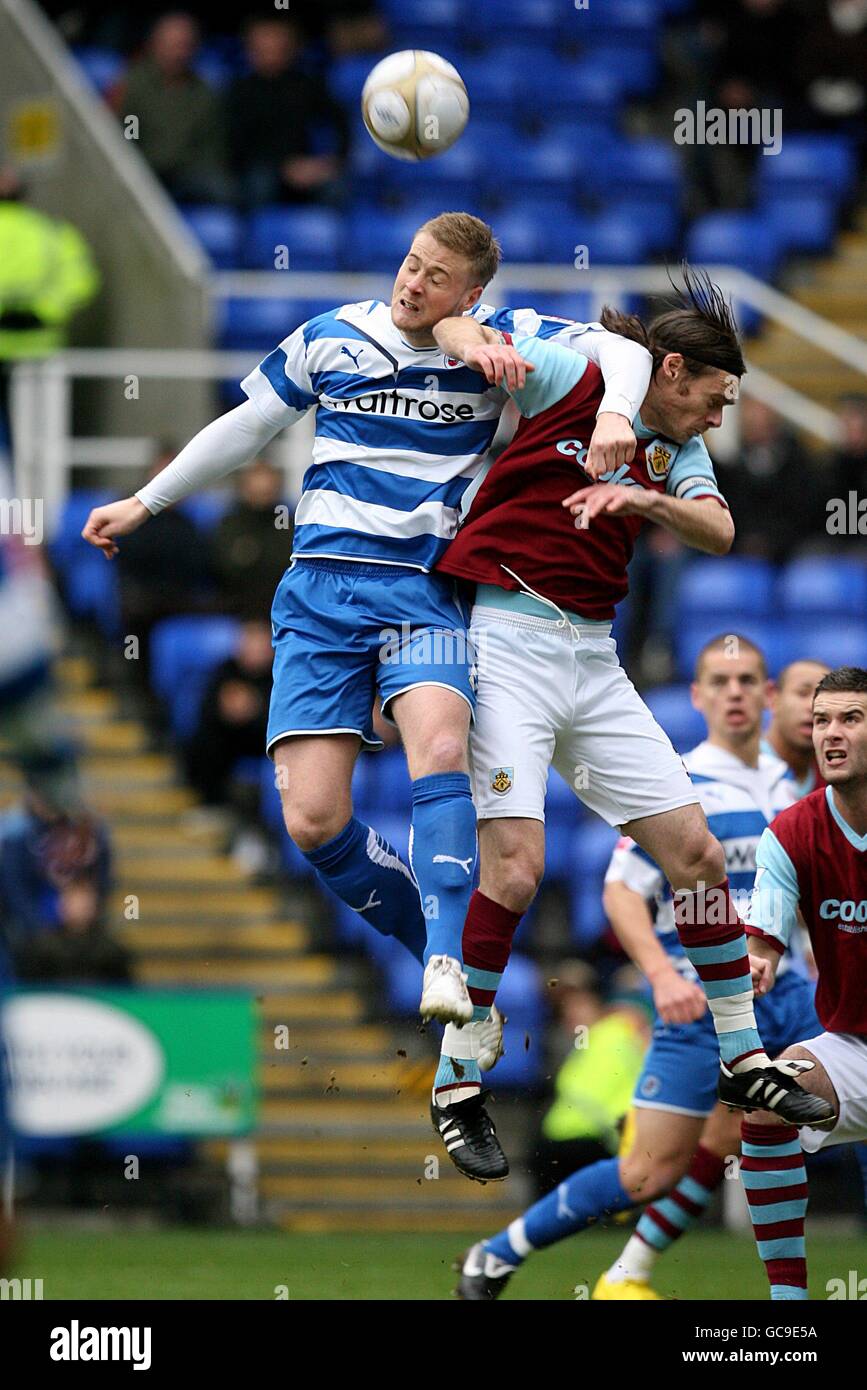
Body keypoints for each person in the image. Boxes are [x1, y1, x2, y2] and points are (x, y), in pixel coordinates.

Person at [80, 212, 653, 1165]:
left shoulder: (505, 346)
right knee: (312, 822)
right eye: (409, 265)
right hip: (316, 592)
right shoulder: (331, 335)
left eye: (437, 279)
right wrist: (147, 501)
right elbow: (248, 423)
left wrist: (612, 413)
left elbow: (619, 350)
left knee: (436, 744)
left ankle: (444, 965)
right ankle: (451, 965)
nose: (413, 285)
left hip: (425, 592)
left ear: (473, 294)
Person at [432, 269, 833, 1180]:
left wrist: (642, 500)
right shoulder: (567, 376)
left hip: (591, 658)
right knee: (518, 867)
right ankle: (457, 1079)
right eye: (715, 398)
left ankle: (742, 1061)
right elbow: (454, 324)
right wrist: (477, 344)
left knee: (691, 850)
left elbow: (716, 532)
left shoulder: (674, 449)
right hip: (506, 641)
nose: (719, 419)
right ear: (674, 368)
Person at [456, 634, 830, 1298]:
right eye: (719, 680)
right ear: (698, 696)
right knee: (646, 1173)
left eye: (747, 679)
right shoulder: (678, 784)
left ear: (767, 696)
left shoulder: (785, 786)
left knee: (753, 1135)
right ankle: (498, 1252)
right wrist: (659, 975)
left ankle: (674, 1281)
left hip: (786, 991)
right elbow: (621, 890)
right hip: (702, 998)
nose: (734, 692)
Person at [742, 665, 867, 1299]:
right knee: (768, 1096)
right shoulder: (791, 832)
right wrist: (759, 961)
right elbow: (762, 940)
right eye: (822, 721)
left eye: (851, 719)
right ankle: (788, 1309)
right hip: (852, 1048)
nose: (831, 734)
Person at [531, 963, 650, 1198]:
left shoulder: (623, 1025)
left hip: (606, 1141)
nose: (571, 1012)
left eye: (579, 1002)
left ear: (597, 1000)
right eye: (565, 1006)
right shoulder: (577, 1047)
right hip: (560, 1139)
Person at [0, 167, 99, 434]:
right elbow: (80, 280)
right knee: (36, 443)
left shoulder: (50, 231)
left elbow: (81, 280)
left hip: (34, 352)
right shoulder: (50, 231)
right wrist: (42, 312)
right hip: (36, 350)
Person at [225, 18, 350, 210]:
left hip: (305, 168)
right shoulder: (240, 91)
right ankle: (254, 237)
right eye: (265, 50)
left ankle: (326, 238)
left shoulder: (306, 84)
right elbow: (237, 147)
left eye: (278, 49)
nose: (272, 56)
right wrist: (283, 166)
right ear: (251, 52)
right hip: (261, 169)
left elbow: (340, 121)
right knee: (258, 186)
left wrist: (329, 162)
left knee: (338, 188)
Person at [110, 12, 232, 205]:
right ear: (155, 45)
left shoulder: (203, 92)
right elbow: (128, 133)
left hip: (187, 176)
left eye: (185, 46)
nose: (178, 53)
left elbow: (211, 149)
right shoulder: (134, 85)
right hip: (145, 172)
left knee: (222, 190)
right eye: (172, 45)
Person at [184, 618, 274, 805]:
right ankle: (208, 801)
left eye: (260, 645)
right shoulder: (225, 670)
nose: (254, 651)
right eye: (249, 643)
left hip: (264, 742)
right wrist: (226, 710)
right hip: (227, 738)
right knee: (204, 741)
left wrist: (254, 709)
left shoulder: (278, 676)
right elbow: (206, 709)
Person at [210, 459, 291, 618]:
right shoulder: (230, 522)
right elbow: (225, 569)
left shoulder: (285, 519)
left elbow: (285, 563)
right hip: (236, 606)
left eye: (267, 490)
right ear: (244, 488)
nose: (262, 490)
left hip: (281, 605)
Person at [763, 659, 830, 796]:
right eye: (802, 693)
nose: (814, 707)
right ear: (772, 697)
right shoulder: (737, 770)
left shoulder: (837, 783)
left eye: (824, 697)